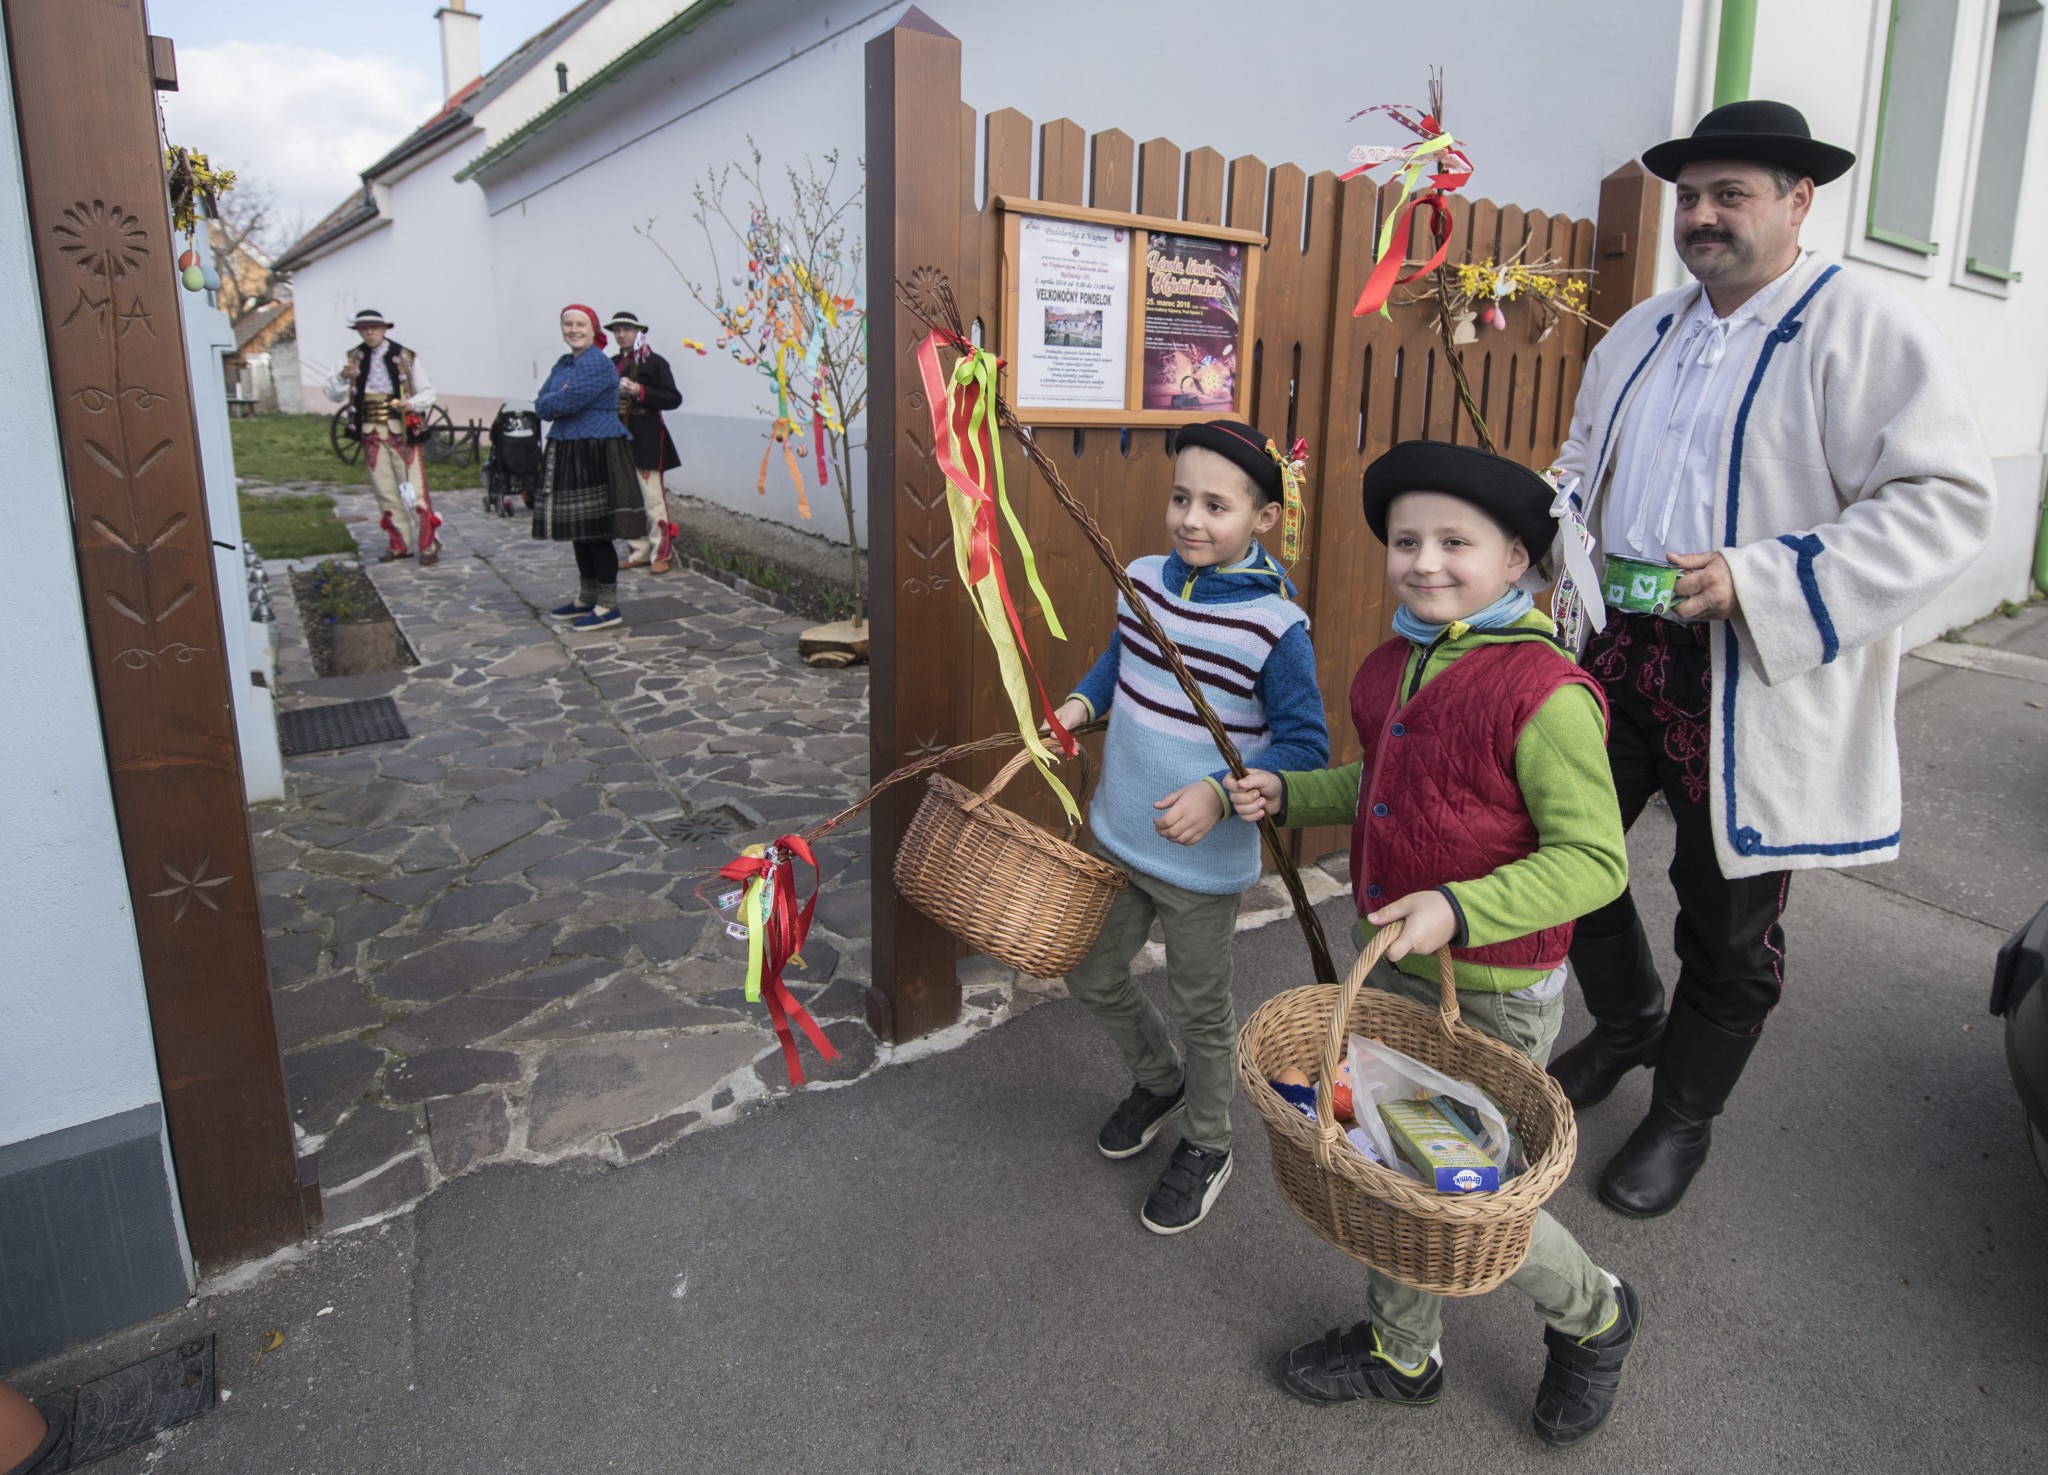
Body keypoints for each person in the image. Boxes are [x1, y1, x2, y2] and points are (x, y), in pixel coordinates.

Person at [1547, 100, 1997, 1218]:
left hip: (1750, 666)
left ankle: (1682, 1112)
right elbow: (1578, 464)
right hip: (1617, 646)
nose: (1699, 217)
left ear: (1797, 202)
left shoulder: (1865, 333)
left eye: (1728, 195)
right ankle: (1625, 1019)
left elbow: (1944, 502)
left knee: (1729, 915)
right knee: (1564, 855)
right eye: (1689, 197)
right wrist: (1541, 528)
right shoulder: (1639, 332)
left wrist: (1757, 577)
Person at [1228, 441, 1640, 1447]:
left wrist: (1456, 905)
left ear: (1515, 563)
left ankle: (1596, 1311)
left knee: (1469, 1194)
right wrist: (1290, 790)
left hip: (1491, 985)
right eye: (1405, 539)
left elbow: (1595, 861)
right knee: (1390, 1157)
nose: (1423, 559)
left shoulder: (1542, 691)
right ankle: (1401, 1351)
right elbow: (1377, 788)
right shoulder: (1389, 663)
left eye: (1454, 541)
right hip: (1398, 962)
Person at [1047, 420, 1328, 1236]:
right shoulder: (1140, 580)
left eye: (1217, 504)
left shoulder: (1277, 628)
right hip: (1118, 832)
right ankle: (1157, 1077)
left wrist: (1219, 788)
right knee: (1091, 971)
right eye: (1181, 498)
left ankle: (1209, 1139)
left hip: (1203, 865)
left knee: (1204, 1008)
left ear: (1264, 518)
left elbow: (1304, 745)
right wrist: (1078, 705)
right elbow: (1120, 662)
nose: (1192, 519)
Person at [534, 304, 646, 631]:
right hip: (572, 449)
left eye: (579, 324)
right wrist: (557, 397)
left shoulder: (597, 363)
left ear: (592, 328)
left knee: (596, 532)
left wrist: (559, 397)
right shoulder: (565, 363)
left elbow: (566, 401)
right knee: (578, 532)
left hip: (598, 449)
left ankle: (608, 606)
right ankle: (587, 596)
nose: (573, 329)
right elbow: (542, 404)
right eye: (567, 324)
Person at [323, 308, 441, 564]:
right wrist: (343, 378)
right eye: (363, 329)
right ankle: (400, 544)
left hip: (402, 431)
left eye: (373, 328)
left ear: (384, 329)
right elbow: (331, 393)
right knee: (385, 491)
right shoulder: (351, 359)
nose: (369, 333)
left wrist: (408, 405)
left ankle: (428, 544)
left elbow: (428, 392)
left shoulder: (404, 356)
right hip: (370, 432)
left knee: (414, 491)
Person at [606, 310, 684, 573]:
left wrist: (640, 391)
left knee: (652, 498)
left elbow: (673, 398)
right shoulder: (612, 363)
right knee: (627, 497)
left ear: (639, 332)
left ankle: (661, 553)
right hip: (619, 436)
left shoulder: (654, 363)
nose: (621, 334)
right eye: (617, 330)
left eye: (627, 329)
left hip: (647, 436)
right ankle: (638, 551)